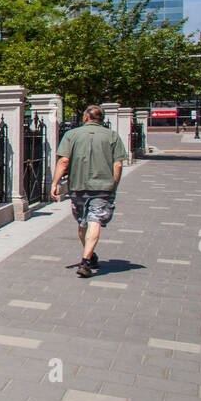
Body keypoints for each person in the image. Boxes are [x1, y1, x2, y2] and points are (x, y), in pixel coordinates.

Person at [50, 105, 130, 278]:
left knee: (84, 222)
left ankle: (86, 260)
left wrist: (54, 183)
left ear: (85, 117)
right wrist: (113, 185)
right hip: (103, 187)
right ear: (102, 119)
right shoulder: (112, 136)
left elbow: (63, 161)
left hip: (78, 186)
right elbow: (118, 164)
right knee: (94, 220)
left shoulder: (71, 135)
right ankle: (89, 257)